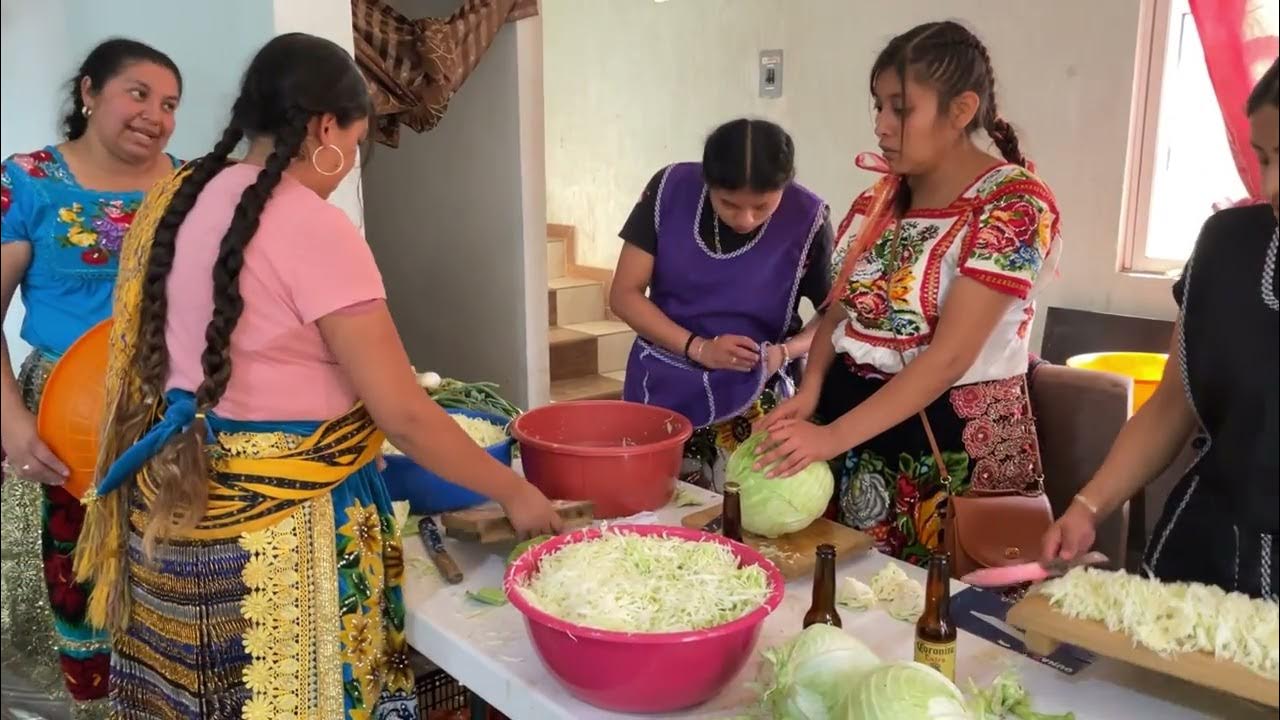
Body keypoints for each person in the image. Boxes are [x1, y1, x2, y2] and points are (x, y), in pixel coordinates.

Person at [72, 33, 562, 719]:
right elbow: (404, 414)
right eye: (356, 143)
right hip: (287, 531)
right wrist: (514, 492)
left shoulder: (177, 198)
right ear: (326, 128)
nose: (349, 164)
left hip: (178, 504)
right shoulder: (314, 228)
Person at [757, 21, 1062, 565]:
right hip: (854, 430)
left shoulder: (1013, 206)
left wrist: (830, 439)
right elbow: (837, 313)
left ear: (961, 109)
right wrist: (811, 391)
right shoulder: (879, 198)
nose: (881, 126)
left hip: (948, 447)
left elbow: (948, 359)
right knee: (844, 596)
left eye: (900, 109)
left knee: (931, 620)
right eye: (877, 107)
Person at [1042, 58, 1279, 599]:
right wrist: (1088, 506)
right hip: (1202, 563)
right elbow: (1174, 404)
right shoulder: (1228, 247)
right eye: (1263, 159)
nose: (1271, 185)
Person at [0, 38, 183, 714]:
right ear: (88, 92)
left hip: (171, 411)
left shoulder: (189, 184)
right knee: (78, 574)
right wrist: (13, 422)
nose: (155, 115)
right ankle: (96, 702)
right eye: (138, 93)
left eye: (169, 104)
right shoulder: (27, 179)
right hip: (62, 412)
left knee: (169, 564)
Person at [613, 118, 834, 491]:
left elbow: (833, 314)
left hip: (755, 393)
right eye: (728, 204)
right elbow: (624, 294)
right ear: (707, 183)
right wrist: (697, 347)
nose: (745, 219)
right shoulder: (670, 190)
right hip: (664, 379)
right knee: (658, 511)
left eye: (762, 206)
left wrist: (786, 351)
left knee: (745, 514)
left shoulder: (808, 218)